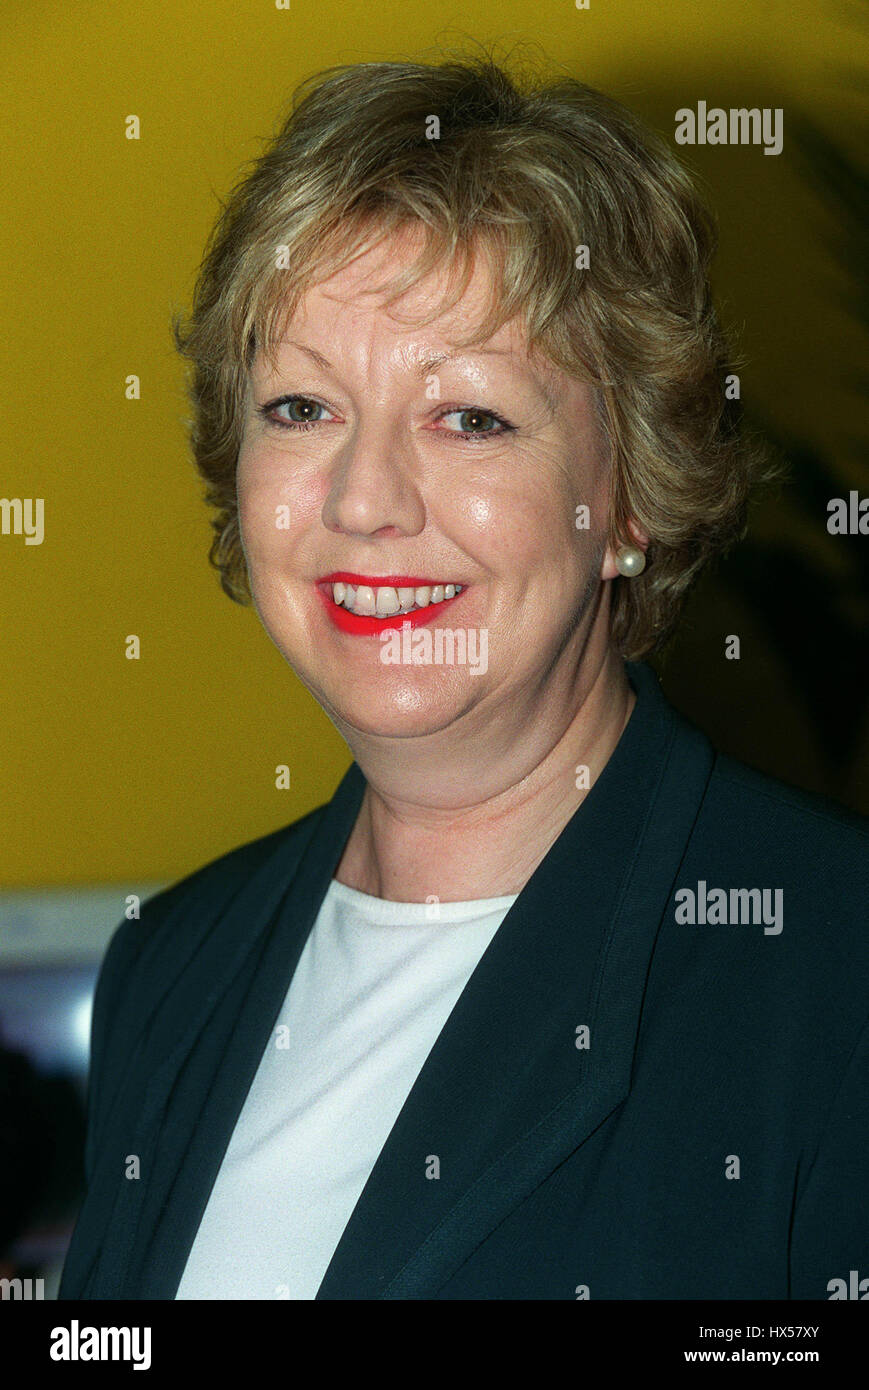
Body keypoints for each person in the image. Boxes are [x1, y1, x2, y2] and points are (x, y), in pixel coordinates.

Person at [59, 54, 868, 1301]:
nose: (363, 499)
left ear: (632, 497)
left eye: (469, 416)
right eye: (299, 408)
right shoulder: (170, 968)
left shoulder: (827, 976)